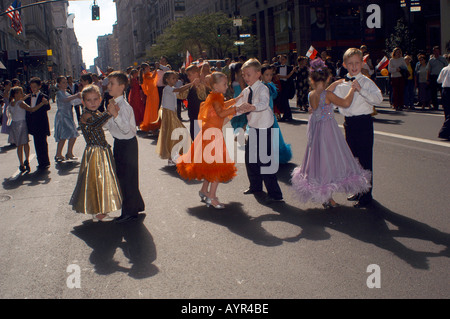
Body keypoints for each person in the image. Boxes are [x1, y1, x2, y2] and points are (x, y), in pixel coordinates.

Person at [291, 58, 371, 208]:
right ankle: (327, 197)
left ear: (311, 79)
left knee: (319, 161)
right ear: (327, 77)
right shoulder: (327, 95)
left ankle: (326, 196)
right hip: (328, 131)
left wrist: (335, 83)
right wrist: (353, 89)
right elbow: (345, 102)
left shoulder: (311, 94)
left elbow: (325, 93)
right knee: (331, 160)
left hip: (316, 131)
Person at [177, 72, 240, 209]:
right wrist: (236, 108)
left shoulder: (215, 95)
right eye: (224, 83)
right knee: (217, 166)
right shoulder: (216, 97)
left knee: (210, 165)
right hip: (212, 136)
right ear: (216, 85)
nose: (227, 85)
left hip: (209, 134)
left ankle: (204, 190)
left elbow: (222, 106)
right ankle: (211, 196)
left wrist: (236, 100)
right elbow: (222, 113)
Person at [331, 48, 383, 208]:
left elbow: (378, 99)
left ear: (362, 63)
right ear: (345, 65)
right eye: (350, 64)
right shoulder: (342, 84)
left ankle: (367, 195)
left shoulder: (367, 82)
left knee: (365, 159)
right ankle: (358, 190)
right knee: (353, 160)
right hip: (349, 123)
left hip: (364, 123)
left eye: (357, 63)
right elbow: (333, 101)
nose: (354, 67)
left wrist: (361, 90)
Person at [70, 85, 122, 222]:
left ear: (100, 100)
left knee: (103, 180)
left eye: (95, 99)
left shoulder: (96, 113)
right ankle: (98, 211)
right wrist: (109, 112)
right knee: (97, 180)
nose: (92, 103)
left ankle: (101, 209)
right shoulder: (86, 115)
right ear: (83, 102)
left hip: (102, 150)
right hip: (94, 152)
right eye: (88, 100)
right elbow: (95, 124)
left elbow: (103, 121)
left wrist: (112, 113)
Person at [235, 59, 284, 205]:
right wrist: (223, 114)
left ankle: (275, 194)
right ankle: (255, 187)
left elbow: (263, 104)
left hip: (265, 128)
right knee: (250, 159)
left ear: (258, 74)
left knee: (265, 162)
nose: (245, 77)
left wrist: (250, 107)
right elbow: (238, 107)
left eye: (248, 74)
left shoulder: (263, 89)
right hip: (254, 128)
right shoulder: (246, 91)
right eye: (244, 75)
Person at [105, 71, 145, 223]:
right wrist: (106, 118)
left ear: (121, 87)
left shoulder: (124, 106)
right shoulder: (114, 104)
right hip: (120, 143)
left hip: (127, 144)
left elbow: (127, 129)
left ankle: (129, 212)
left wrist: (115, 114)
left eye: (112, 83)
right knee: (125, 176)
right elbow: (110, 126)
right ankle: (137, 205)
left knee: (127, 178)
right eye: (109, 83)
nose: (108, 86)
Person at [8, 86, 49, 172]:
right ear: (16, 94)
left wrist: (24, 97)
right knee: (25, 143)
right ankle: (27, 160)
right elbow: (32, 109)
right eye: (20, 92)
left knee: (19, 145)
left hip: (14, 125)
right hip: (22, 124)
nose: (22, 94)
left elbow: (17, 102)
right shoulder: (21, 103)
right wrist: (42, 103)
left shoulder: (11, 103)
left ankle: (21, 163)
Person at [156, 71, 192, 165]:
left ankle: (173, 157)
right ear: (167, 80)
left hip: (172, 113)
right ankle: (172, 157)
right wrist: (191, 84)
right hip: (168, 114)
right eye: (173, 78)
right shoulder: (167, 88)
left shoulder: (171, 88)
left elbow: (181, 94)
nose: (175, 80)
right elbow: (179, 90)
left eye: (176, 78)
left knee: (173, 135)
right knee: (177, 133)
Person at [261, 64, 292, 164]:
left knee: (274, 136)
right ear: (261, 75)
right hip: (264, 116)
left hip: (271, 115)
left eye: (271, 74)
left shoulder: (270, 85)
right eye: (267, 75)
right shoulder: (261, 87)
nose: (269, 77)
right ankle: (267, 156)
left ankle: (274, 156)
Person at [24, 77, 51, 170]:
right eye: (31, 87)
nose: (33, 89)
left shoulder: (43, 96)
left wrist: (46, 103)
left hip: (42, 123)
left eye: (35, 86)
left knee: (43, 142)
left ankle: (45, 162)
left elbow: (48, 108)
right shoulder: (28, 97)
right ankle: (40, 161)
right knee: (36, 143)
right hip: (33, 123)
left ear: (39, 86)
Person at [178, 65, 209, 140]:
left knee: (201, 138)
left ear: (196, 73)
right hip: (193, 115)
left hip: (202, 116)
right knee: (194, 136)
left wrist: (198, 85)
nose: (188, 77)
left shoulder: (203, 84)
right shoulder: (190, 86)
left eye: (189, 75)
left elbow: (202, 96)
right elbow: (180, 95)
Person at [54, 76, 81, 162]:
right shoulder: (59, 93)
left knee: (71, 134)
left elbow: (73, 101)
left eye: (66, 82)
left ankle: (68, 153)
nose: (66, 84)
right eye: (63, 82)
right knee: (65, 135)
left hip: (68, 115)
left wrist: (81, 97)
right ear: (59, 84)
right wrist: (76, 96)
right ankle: (60, 154)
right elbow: (65, 100)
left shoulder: (67, 92)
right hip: (62, 116)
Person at [139, 63, 161, 133]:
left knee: (153, 108)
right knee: (153, 109)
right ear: (145, 68)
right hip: (152, 94)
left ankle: (154, 123)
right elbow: (153, 78)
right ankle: (153, 124)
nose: (149, 69)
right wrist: (156, 70)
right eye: (148, 68)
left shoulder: (147, 74)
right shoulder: (146, 75)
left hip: (153, 92)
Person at [276, 55, 295, 121]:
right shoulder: (277, 68)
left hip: (286, 85)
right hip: (280, 85)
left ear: (286, 60)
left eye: (283, 59)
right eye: (281, 59)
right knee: (280, 100)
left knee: (285, 101)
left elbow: (290, 77)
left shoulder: (290, 68)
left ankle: (287, 115)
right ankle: (284, 115)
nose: (282, 60)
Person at [437, 54, 450, 139]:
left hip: (445, 90)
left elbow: (439, 80)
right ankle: (444, 131)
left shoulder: (444, 69)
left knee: (447, 111)